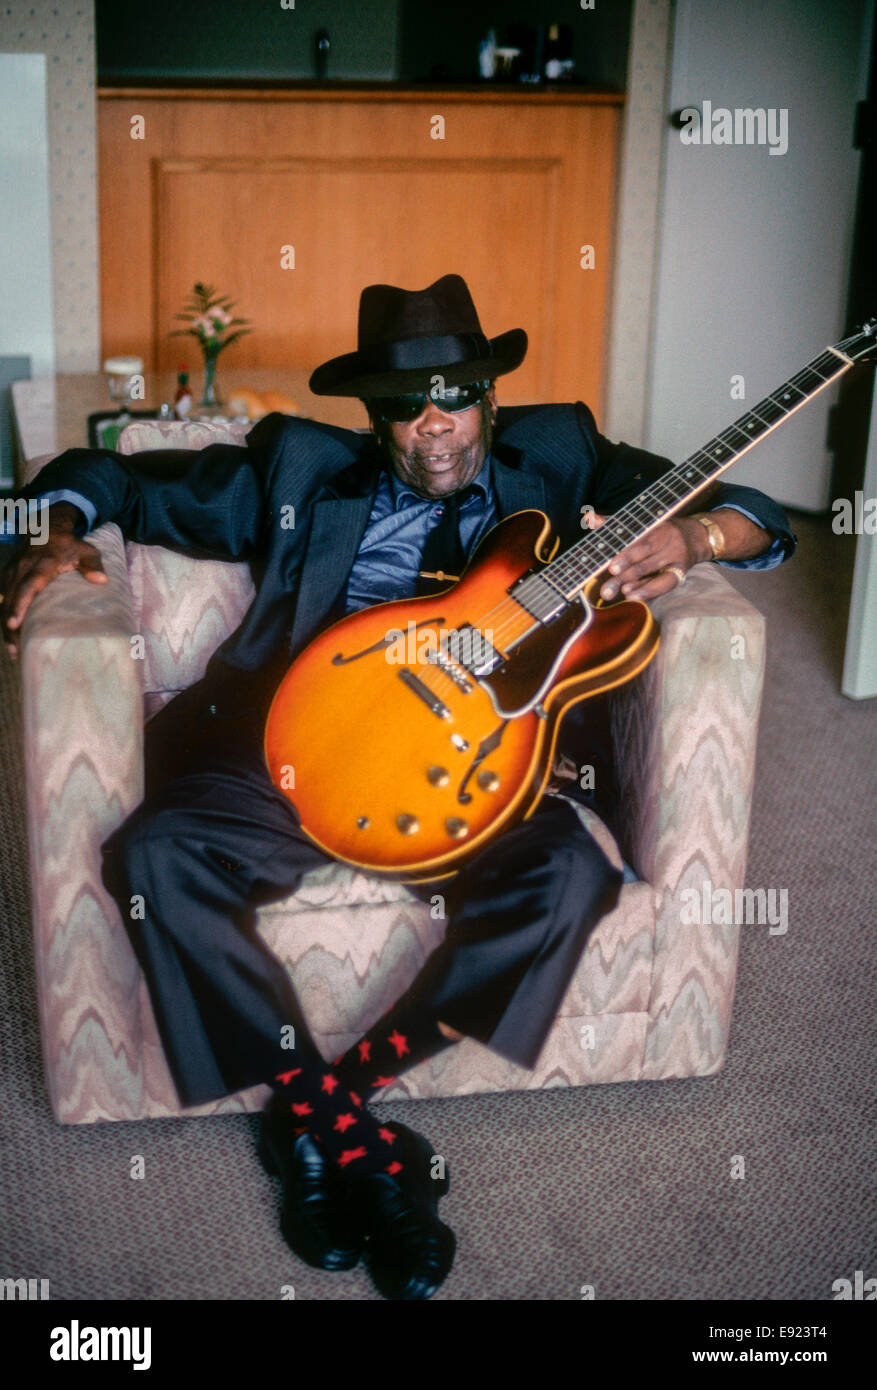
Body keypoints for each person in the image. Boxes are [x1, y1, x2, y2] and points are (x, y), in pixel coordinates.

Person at [0, 275, 796, 1301]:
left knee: (565, 878)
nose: (433, 423)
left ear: (491, 398)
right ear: (372, 415)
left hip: (476, 765)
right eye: (404, 404)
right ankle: (375, 1150)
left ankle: (330, 1111)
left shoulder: (559, 456)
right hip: (291, 743)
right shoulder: (296, 465)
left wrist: (697, 540)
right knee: (153, 854)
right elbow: (110, 476)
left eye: (456, 394)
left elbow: (756, 512)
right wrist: (51, 529)